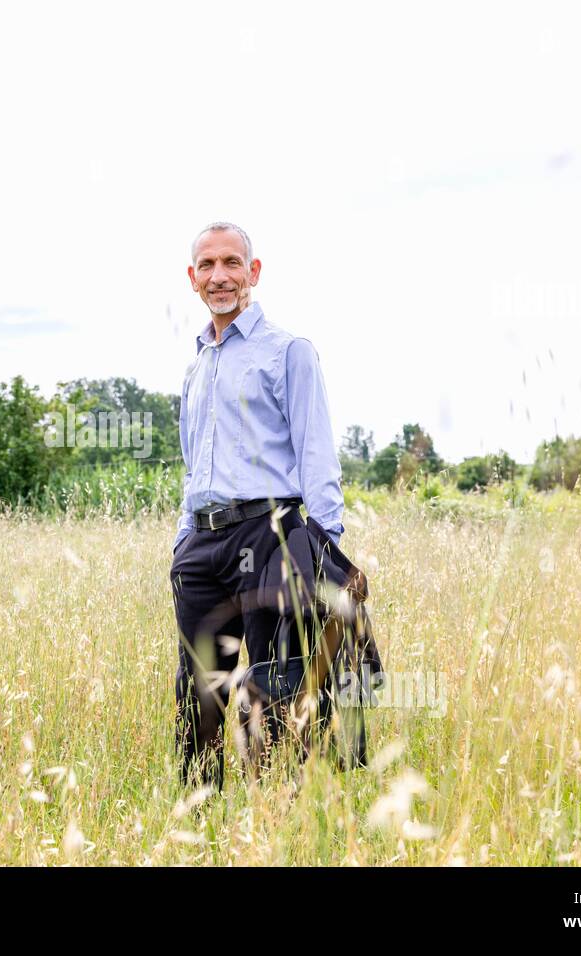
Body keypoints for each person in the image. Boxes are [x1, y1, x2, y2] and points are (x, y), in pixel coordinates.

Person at [170, 221, 347, 788]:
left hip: (270, 537)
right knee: (198, 691)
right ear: (193, 278)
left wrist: (322, 551)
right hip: (203, 544)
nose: (220, 276)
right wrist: (182, 542)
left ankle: (271, 817)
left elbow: (316, 455)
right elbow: (193, 464)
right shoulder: (196, 367)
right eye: (207, 266)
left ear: (254, 271)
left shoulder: (288, 352)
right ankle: (196, 817)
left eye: (231, 263)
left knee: (271, 685)